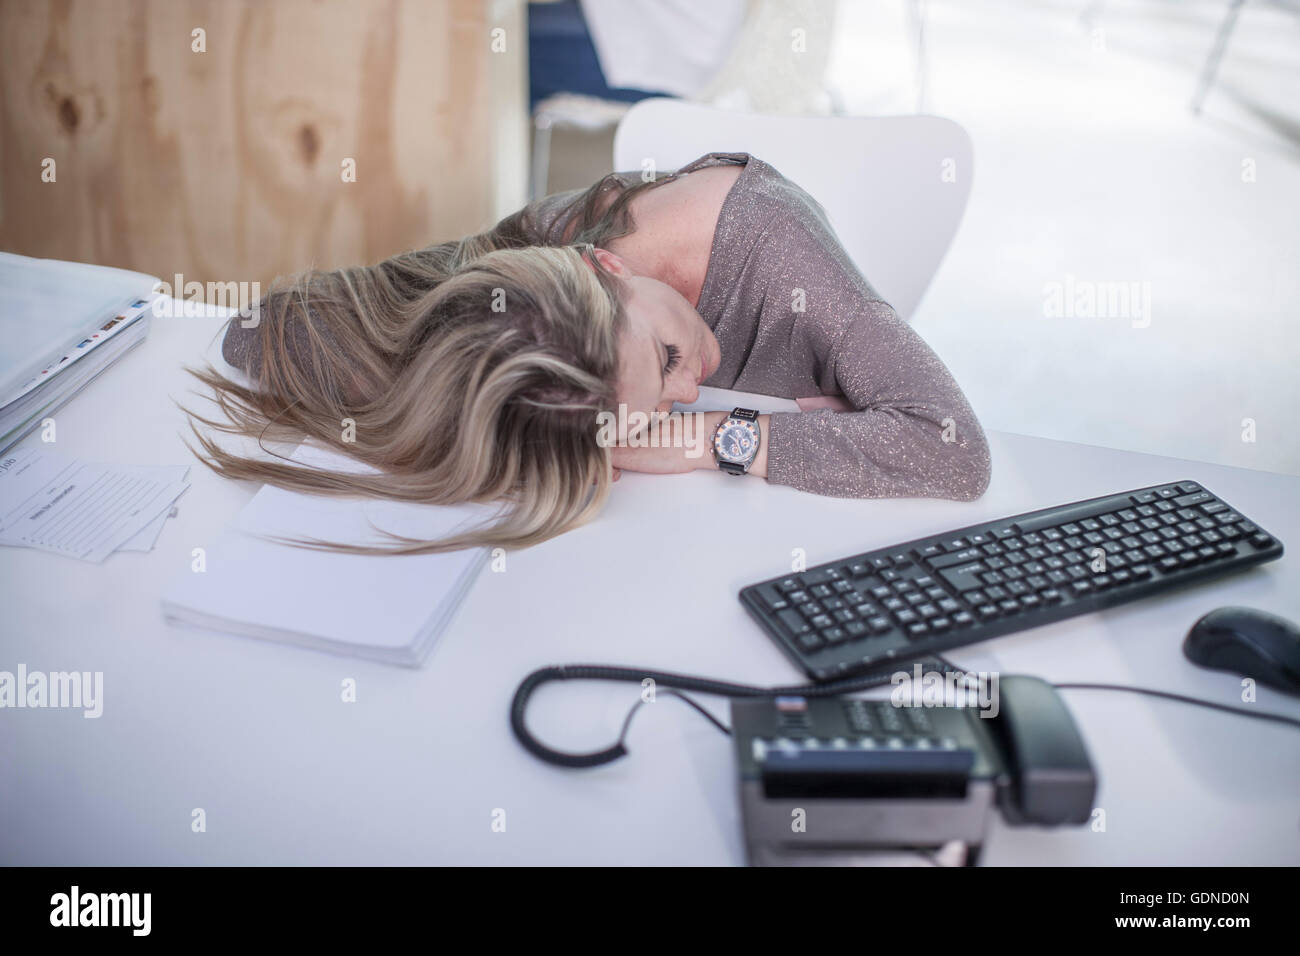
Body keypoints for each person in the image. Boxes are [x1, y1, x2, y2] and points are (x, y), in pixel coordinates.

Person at [193, 152, 991, 554]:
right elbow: (259, 330)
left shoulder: (784, 259)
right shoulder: (524, 292)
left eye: (669, 356)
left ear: (606, 266)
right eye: (657, 404)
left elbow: (954, 452)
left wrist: (711, 439)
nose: (694, 386)